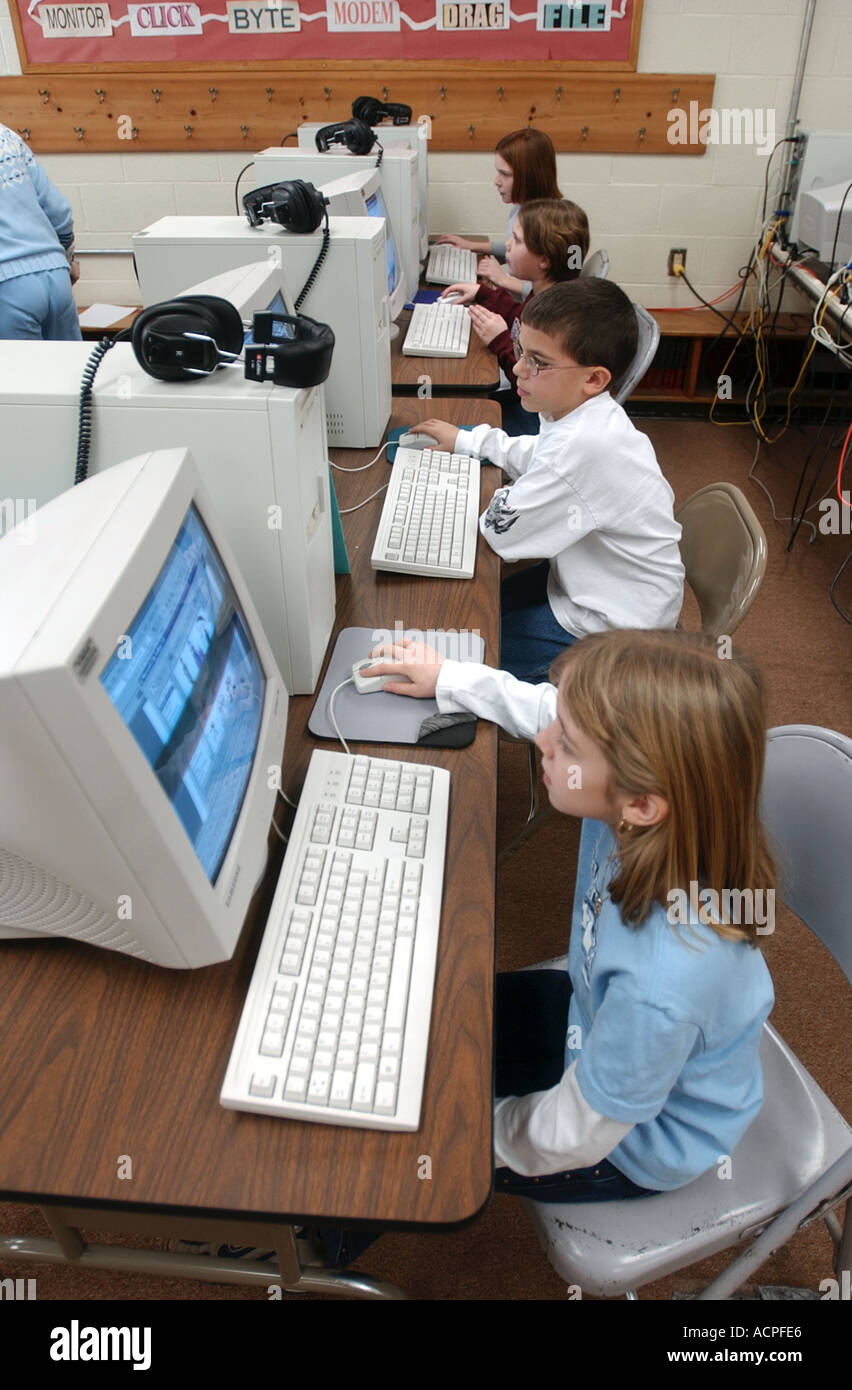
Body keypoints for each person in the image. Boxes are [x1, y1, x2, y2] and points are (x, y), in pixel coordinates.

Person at [364, 627, 776, 1202]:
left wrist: (462, 1138)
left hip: (628, 1144)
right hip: (592, 1015)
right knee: (418, 1018)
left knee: (387, 1156)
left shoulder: (661, 982)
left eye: (568, 744)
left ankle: (319, 1231)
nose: (545, 740)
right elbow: (555, 715)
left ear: (640, 803)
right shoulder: (652, 812)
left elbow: (575, 1134)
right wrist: (450, 679)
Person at [418, 279, 685, 681]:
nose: (518, 368)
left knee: (465, 652)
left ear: (594, 379)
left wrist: (490, 494)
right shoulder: (583, 410)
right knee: (467, 615)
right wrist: (470, 441)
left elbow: (499, 531)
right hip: (589, 582)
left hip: (616, 634)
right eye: (521, 350)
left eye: (538, 362)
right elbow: (541, 453)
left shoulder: (585, 445)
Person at [437, 198, 590, 435]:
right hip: (528, 402)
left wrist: (499, 341)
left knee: (453, 410)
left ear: (544, 260)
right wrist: (483, 293)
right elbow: (517, 318)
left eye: (517, 240)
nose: (507, 245)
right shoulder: (545, 294)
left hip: (534, 419)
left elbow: (527, 380)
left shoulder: (554, 317)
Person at [435, 128, 564, 299]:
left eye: (505, 174)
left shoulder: (553, 225)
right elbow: (518, 249)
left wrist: (502, 279)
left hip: (527, 310)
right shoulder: (520, 209)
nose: (496, 181)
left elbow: (557, 292)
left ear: (529, 177)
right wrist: (473, 246)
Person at [0, 123, 81, 341]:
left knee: (20, 365)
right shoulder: (6, 135)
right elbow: (59, 212)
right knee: (73, 363)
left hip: (6, 287)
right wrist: (67, 259)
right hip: (56, 274)